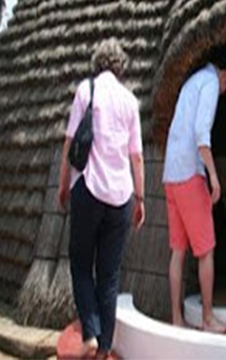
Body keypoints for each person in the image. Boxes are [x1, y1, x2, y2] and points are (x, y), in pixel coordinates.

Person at [58, 38, 146, 360]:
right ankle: (105, 348)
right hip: (121, 197)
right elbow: (136, 157)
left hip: (89, 189)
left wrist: (63, 184)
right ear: (120, 67)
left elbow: (70, 142)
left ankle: (91, 334)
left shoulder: (86, 90)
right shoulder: (130, 101)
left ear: (98, 64)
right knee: (109, 275)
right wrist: (140, 198)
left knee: (81, 263)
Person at [162, 52, 226, 333]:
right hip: (190, 172)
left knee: (178, 251)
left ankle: (176, 319)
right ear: (225, 72)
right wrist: (214, 177)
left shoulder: (192, 81)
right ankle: (207, 318)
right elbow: (202, 134)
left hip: (171, 173)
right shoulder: (211, 84)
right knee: (206, 250)